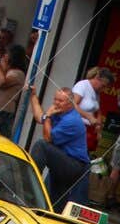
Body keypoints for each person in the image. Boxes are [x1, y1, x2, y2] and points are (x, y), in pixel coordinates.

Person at [28, 84, 90, 212]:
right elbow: (40, 117)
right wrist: (33, 96)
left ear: (71, 103)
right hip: (63, 161)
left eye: (60, 101)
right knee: (52, 205)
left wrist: (48, 117)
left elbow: (47, 138)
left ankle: (28, 184)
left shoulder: (71, 120)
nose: (56, 103)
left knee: (41, 146)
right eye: (55, 99)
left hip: (75, 166)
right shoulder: (59, 112)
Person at [0, 43, 27, 137]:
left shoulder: (18, 74)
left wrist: (1, 65)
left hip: (2, 110)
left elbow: (3, 83)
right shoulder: (7, 71)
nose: (4, 56)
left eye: (7, 54)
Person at [72, 64, 113, 150]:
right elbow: (72, 105)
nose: (103, 89)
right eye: (103, 86)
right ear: (97, 78)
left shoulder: (97, 93)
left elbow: (98, 111)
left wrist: (98, 128)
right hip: (76, 126)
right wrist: (88, 116)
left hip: (88, 130)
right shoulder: (82, 85)